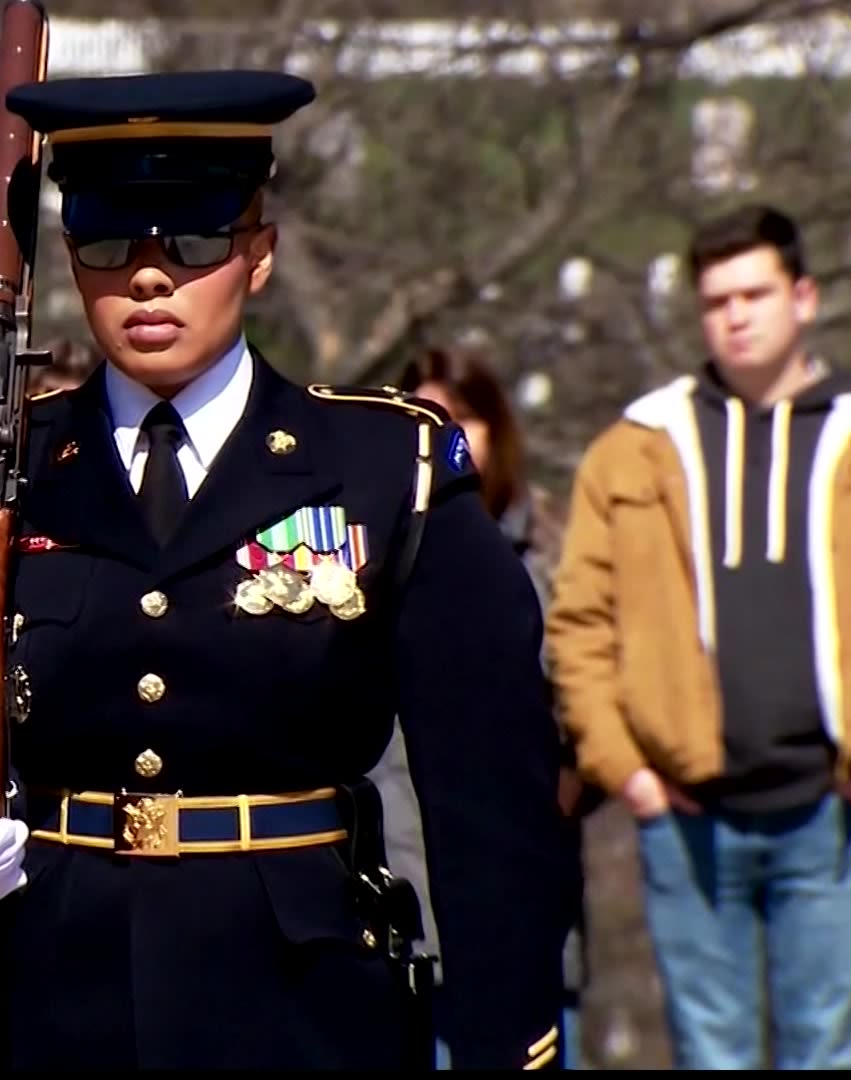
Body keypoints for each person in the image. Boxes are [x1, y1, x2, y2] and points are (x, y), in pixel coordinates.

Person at [0, 70, 570, 1070]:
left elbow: (492, 804)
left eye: (190, 242)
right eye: (107, 243)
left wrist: (500, 1043)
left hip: (299, 1006)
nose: (147, 277)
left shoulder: (383, 470)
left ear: (257, 254)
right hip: (38, 1001)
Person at [545, 204, 851, 1069]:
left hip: (837, 812)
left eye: (756, 293)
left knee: (834, 1057)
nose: (736, 314)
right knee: (711, 1055)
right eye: (716, 299)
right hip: (687, 816)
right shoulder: (634, 450)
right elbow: (580, 624)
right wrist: (631, 774)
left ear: (803, 298)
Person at [368, 345, 590, 1068]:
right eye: (425, 418)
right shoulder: (356, 546)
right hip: (387, 899)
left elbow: (591, 684)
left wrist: (573, 781)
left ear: (496, 429)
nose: (443, 436)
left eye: (461, 418)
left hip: (513, 897)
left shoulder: (550, 549)